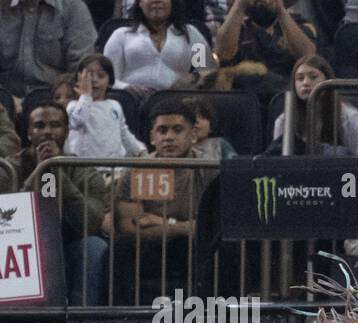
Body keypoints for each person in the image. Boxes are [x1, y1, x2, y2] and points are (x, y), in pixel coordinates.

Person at [112, 97, 212, 303]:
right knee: (122, 247)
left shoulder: (210, 170)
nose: (169, 137)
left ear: (192, 134)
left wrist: (165, 223)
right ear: (152, 137)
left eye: (177, 130)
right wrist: (185, 226)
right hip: (150, 248)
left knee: (219, 248)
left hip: (192, 247)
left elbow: (213, 228)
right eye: (162, 130)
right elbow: (130, 228)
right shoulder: (136, 171)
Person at [18, 101, 110, 305]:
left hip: (66, 251)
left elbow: (92, 222)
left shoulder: (84, 170)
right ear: (28, 132)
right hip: (23, 255)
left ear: (67, 131)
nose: (48, 132)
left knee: (94, 246)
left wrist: (57, 171)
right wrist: (40, 171)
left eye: (55, 125)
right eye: (40, 126)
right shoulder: (10, 168)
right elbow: (5, 220)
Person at [104, 0, 211, 97]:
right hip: (130, 102)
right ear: (140, 3)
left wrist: (193, 77)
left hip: (174, 101)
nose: (156, 1)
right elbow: (107, 78)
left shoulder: (190, 33)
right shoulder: (121, 35)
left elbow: (207, 69)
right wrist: (126, 88)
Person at [269, 54, 358, 154]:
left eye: (313, 77)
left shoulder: (351, 118)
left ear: (327, 80)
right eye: (300, 78)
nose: (305, 83)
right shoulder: (284, 121)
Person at [0, 0, 96, 100]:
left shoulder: (72, 7)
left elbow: (82, 66)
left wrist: (63, 99)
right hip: (6, 101)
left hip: (57, 101)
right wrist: (9, 101)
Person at [213, 0, 318, 90]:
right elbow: (222, 54)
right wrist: (240, 4)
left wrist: (280, 10)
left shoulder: (299, 23)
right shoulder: (237, 24)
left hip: (284, 93)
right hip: (245, 94)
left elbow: (307, 57)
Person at [65, 55, 148, 163]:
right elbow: (78, 121)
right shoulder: (73, 106)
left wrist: (140, 151)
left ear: (110, 82)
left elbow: (124, 134)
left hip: (113, 168)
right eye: (89, 76)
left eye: (101, 75)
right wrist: (86, 96)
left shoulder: (115, 106)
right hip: (85, 170)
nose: (94, 80)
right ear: (78, 80)